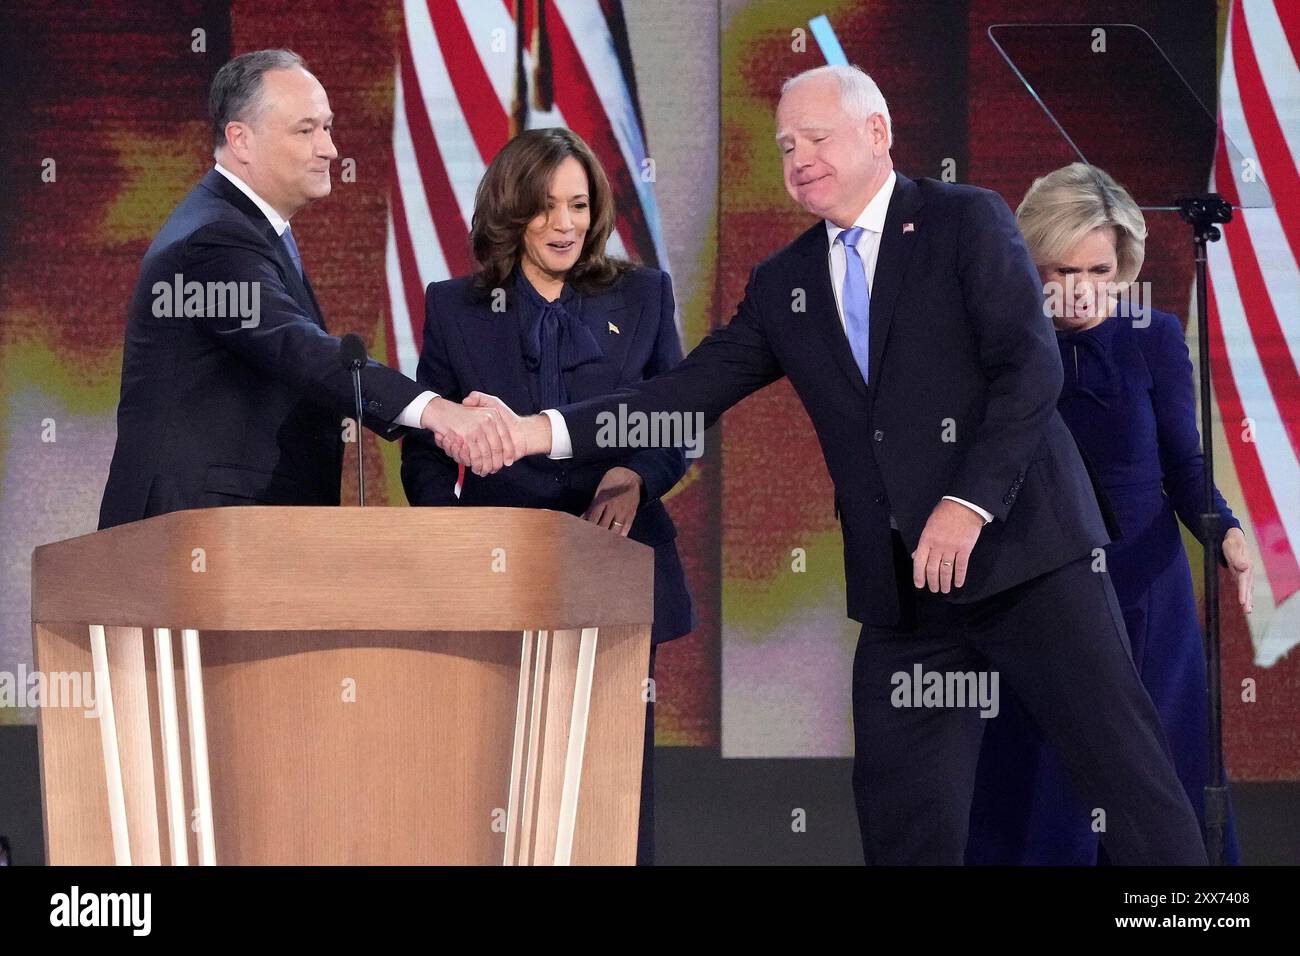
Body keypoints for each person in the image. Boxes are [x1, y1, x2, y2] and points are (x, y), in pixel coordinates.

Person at [457, 65, 1209, 865]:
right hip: (907, 590)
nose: (798, 157)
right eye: (785, 145)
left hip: (1030, 560)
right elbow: (683, 391)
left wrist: (969, 505)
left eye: (816, 137)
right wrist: (536, 432)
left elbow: (1030, 372)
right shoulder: (787, 283)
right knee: (902, 810)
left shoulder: (965, 220)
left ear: (877, 134)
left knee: (1128, 781)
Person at [401, 128, 694, 865]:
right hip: (505, 576)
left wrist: (635, 478)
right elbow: (425, 445)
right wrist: (459, 536)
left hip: (616, 564)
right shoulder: (455, 307)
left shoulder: (645, 293)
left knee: (615, 779)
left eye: (578, 205)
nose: (565, 224)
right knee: (510, 774)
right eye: (545, 208)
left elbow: (677, 420)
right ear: (511, 211)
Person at [966, 163, 1254, 865]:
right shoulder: (993, 343)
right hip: (1035, 592)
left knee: (1152, 790)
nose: (1079, 289)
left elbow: (1185, 467)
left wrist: (1230, 536)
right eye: (1058, 271)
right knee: (1038, 784)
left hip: (1144, 599)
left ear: (1124, 263)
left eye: (1098, 268)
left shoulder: (1152, 335)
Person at [99, 49, 518, 530]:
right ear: (241, 139)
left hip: (240, 531)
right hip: (194, 534)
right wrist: (436, 411)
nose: (330, 149)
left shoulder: (250, 230)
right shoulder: (212, 240)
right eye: (306, 130)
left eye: (328, 127)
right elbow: (299, 348)